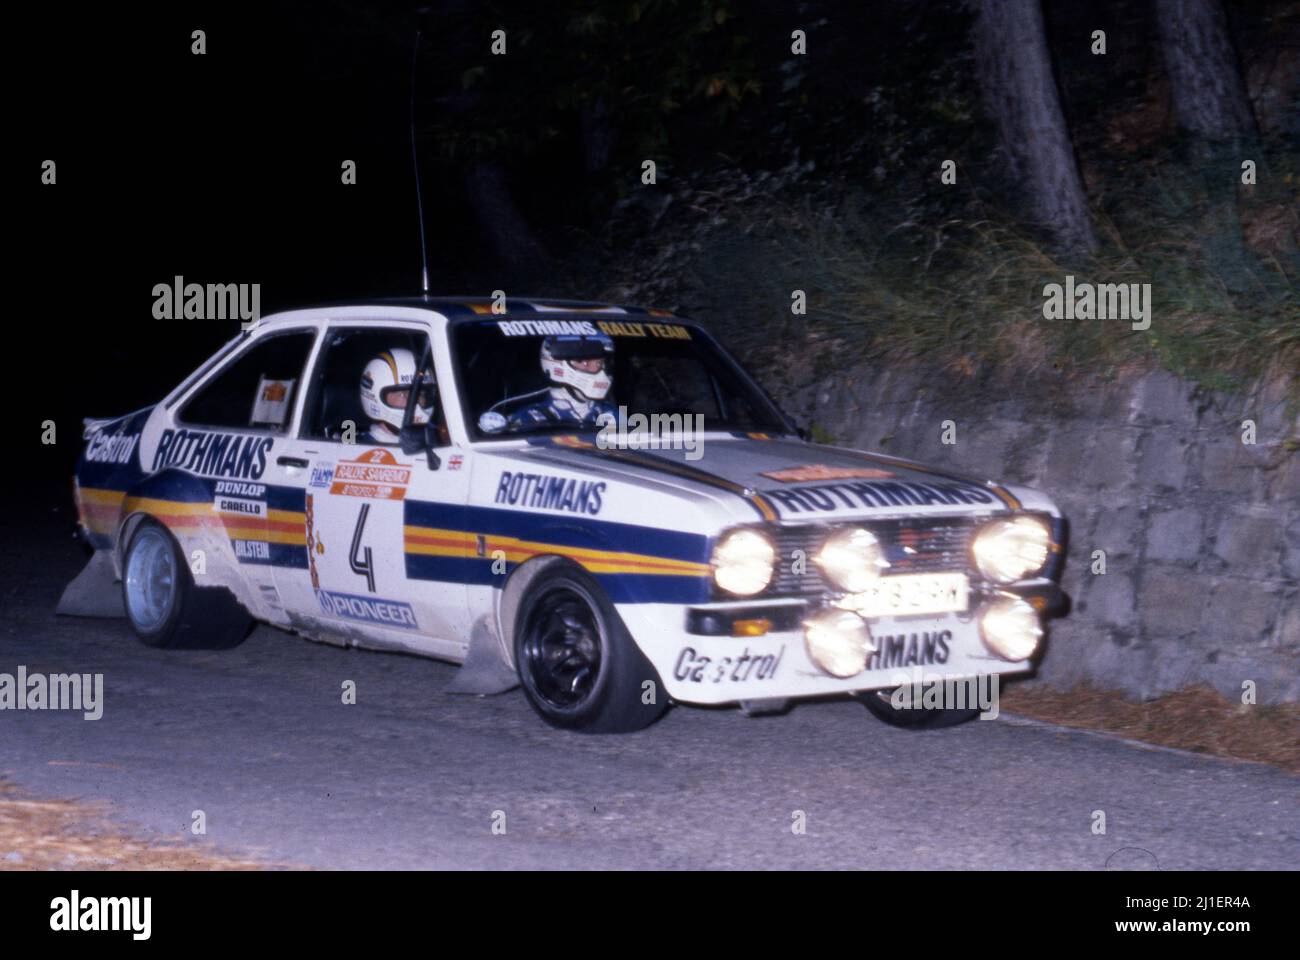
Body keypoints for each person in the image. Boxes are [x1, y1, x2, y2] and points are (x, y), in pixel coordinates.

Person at [482, 335, 617, 433]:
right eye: (584, 363)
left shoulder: (609, 412)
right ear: (558, 365)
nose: (596, 369)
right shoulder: (532, 418)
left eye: (599, 363)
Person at [359, 347, 434, 443]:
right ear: (374, 397)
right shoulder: (359, 451)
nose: (414, 402)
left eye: (420, 394)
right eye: (402, 394)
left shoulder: (436, 438)